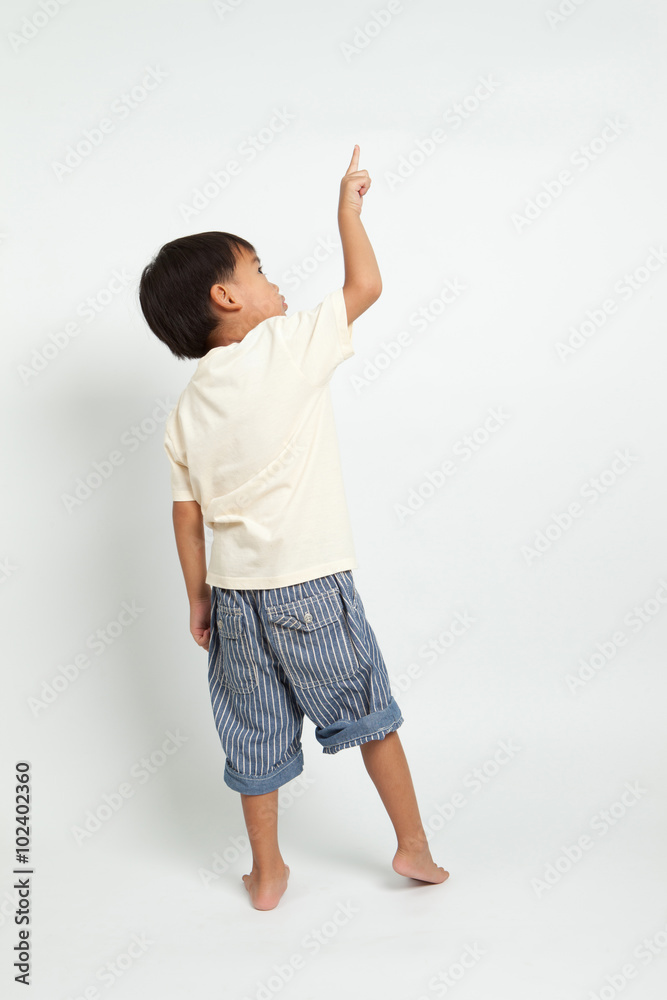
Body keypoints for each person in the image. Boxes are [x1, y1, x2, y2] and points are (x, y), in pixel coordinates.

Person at [138, 145, 448, 909]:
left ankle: (269, 873)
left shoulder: (183, 412)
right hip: (311, 584)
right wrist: (346, 209)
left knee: (254, 738)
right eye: (261, 270)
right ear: (227, 296)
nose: (275, 283)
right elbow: (365, 285)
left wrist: (198, 599)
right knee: (369, 713)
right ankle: (411, 848)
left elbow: (186, 518)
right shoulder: (283, 346)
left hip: (236, 603)